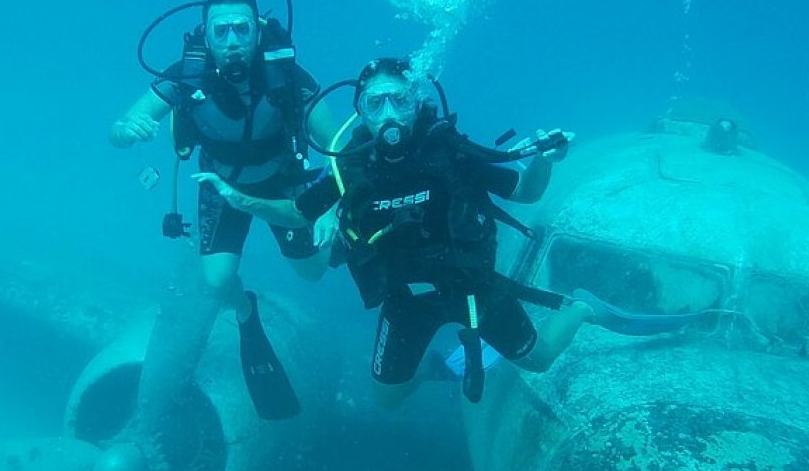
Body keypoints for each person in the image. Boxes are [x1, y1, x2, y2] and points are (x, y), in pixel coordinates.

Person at [197, 57, 691, 409]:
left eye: (399, 100)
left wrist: (543, 158)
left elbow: (524, 191)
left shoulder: (450, 152)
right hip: (404, 301)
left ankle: (582, 307)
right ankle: (438, 368)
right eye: (376, 104)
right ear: (362, 114)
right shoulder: (353, 169)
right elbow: (299, 212)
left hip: (472, 289)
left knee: (539, 359)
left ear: (416, 103)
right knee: (386, 401)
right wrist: (243, 200)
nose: (389, 115)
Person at [110, 0, 340, 419]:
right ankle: (244, 310)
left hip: (281, 182)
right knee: (217, 283)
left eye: (241, 29)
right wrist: (126, 130)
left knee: (312, 272)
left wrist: (332, 204)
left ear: (258, 30)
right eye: (221, 31)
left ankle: (336, 242)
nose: (232, 41)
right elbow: (122, 125)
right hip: (219, 184)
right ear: (206, 33)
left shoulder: (288, 76)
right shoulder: (185, 77)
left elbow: (337, 146)